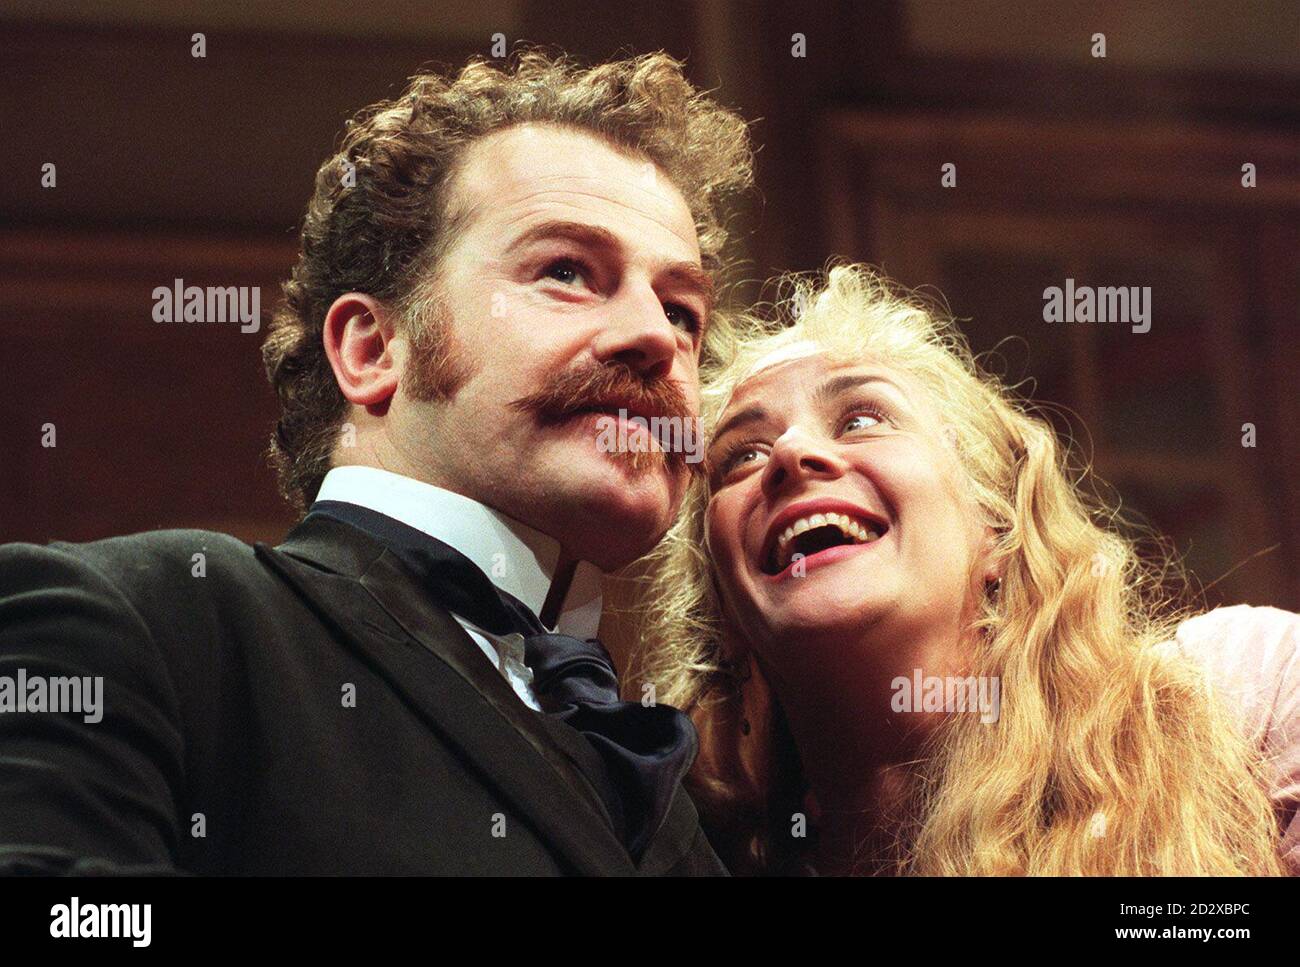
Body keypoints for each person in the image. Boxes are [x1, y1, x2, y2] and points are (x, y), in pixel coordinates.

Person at [0, 51, 753, 875]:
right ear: (372, 348)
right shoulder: (143, 622)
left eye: (683, 310)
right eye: (566, 271)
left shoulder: (697, 804)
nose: (655, 337)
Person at [638, 264, 1300, 875]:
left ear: (997, 526)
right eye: (742, 455)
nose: (790, 452)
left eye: (862, 418)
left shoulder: (1239, 703)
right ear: (723, 608)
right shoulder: (691, 857)